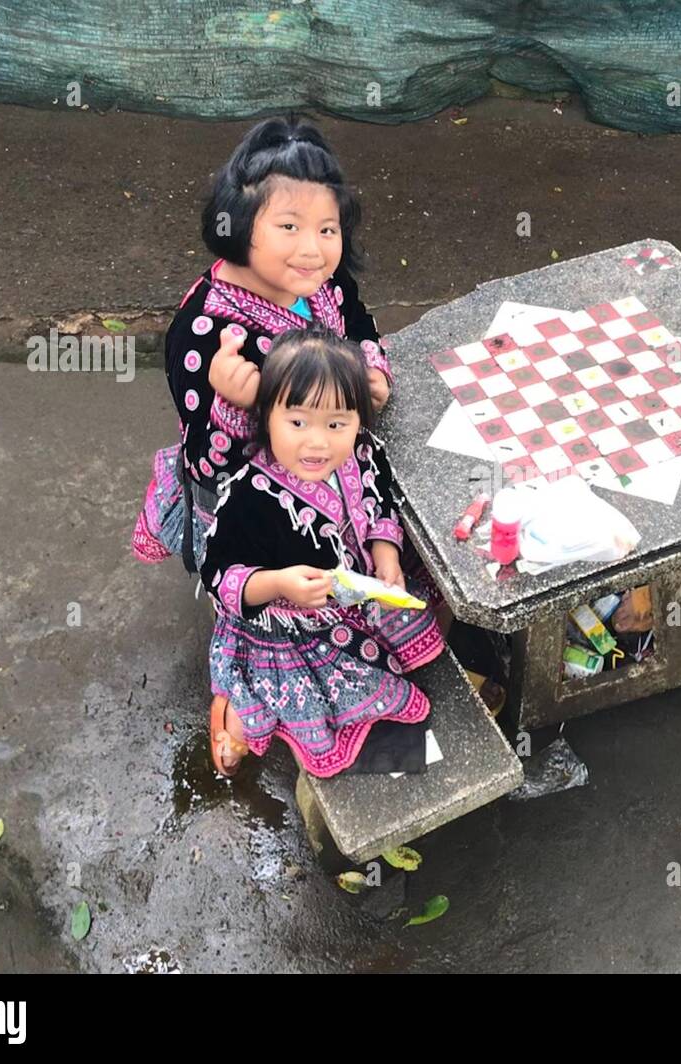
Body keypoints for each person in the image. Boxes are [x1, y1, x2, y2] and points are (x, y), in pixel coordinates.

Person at [131, 115, 392, 573]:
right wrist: (234, 405)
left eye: (327, 230)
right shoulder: (204, 333)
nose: (313, 249)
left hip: (339, 471)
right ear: (241, 222)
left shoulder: (323, 281)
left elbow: (358, 323)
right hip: (259, 514)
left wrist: (371, 369)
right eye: (289, 227)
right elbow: (209, 469)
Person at [200, 327, 443, 778]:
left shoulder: (361, 454)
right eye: (297, 422)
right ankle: (235, 715)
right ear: (266, 417)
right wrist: (276, 583)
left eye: (337, 423)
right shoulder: (250, 494)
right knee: (326, 713)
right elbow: (218, 570)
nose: (317, 442)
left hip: (356, 596)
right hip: (288, 629)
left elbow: (379, 500)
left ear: (359, 420)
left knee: (428, 620)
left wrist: (386, 552)